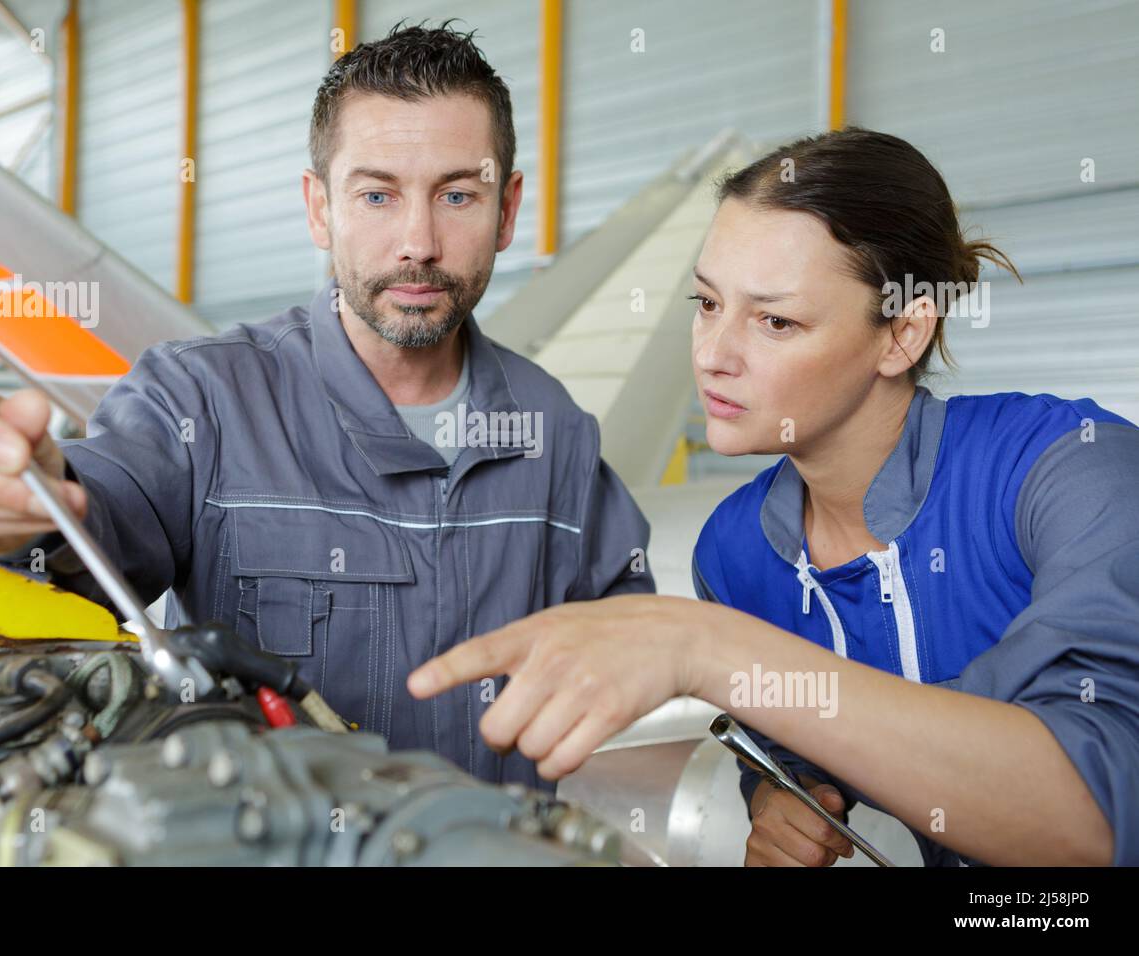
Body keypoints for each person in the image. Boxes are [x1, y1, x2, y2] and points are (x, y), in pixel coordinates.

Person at [0, 23, 653, 791]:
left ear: (507, 209)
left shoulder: (552, 431)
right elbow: (93, 525)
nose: (418, 242)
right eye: (377, 194)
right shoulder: (201, 401)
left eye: (457, 194)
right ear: (319, 209)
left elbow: (632, 632)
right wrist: (24, 505)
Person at [409, 128, 1139, 866]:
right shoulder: (736, 553)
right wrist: (777, 799)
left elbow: (1097, 819)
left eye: (776, 321)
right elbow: (789, 753)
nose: (712, 356)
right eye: (706, 303)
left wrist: (702, 646)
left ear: (902, 334)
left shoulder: (1072, 470)